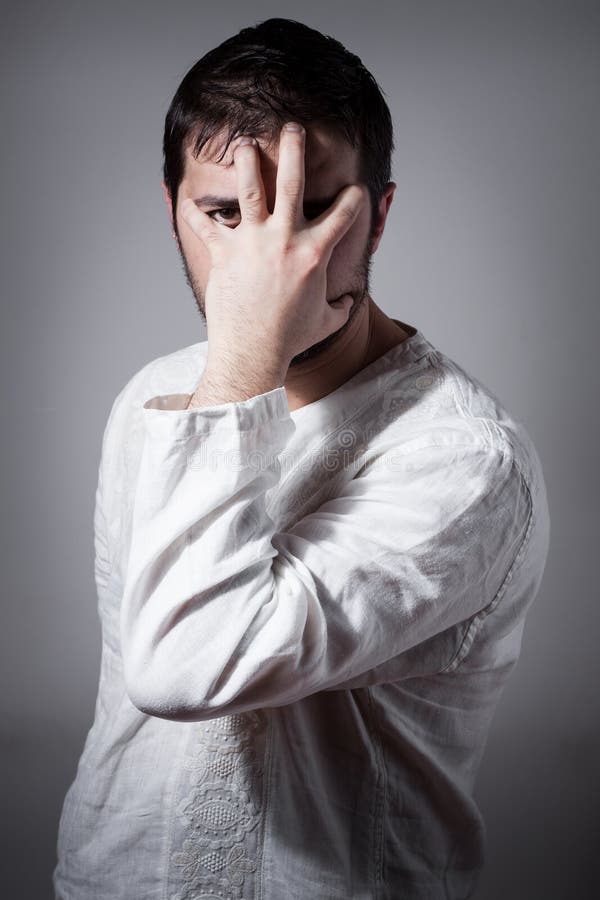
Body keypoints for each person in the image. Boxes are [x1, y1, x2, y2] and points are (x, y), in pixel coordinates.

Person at [53, 17, 550, 900]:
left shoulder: (466, 461)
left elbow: (183, 668)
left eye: (314, 212)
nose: (267, 259)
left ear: (382, 215)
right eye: (222, 215)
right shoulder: (148, 401)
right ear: (170, 211)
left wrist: (246, 350)